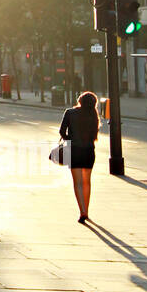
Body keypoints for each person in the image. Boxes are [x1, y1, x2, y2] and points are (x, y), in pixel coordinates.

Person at [59, 91, 99, 223]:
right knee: (87, 181)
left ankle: (82, 211)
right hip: (89, 151)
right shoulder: (93, 115)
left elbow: (62, 131)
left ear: (80, 101)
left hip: (74, 151)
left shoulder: (70, 113)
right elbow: (94, 134)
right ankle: (86, 210)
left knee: (78, 183)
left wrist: (70, 139)